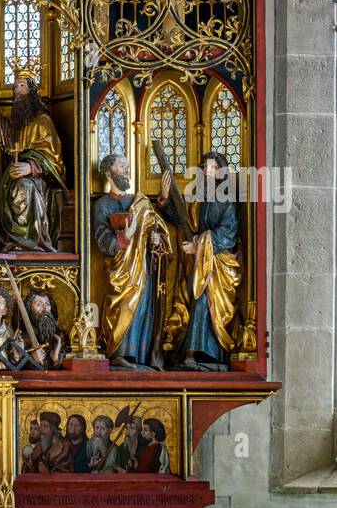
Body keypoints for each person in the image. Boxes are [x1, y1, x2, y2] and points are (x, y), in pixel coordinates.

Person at [161, 153, 242, 370]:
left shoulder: (227, 200)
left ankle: (200, 352)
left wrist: (198, 245)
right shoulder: (197, 197)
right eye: (205, 168)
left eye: (213, 168)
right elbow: (182, 219)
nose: (208, 172)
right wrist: (165, 198)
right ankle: (187, 350)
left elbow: (228, 233)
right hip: (197, 263)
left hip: (218, 263)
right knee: (191, 298)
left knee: (205, 299)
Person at [93, 151, 172, 369]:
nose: (127, 169)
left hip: (141, 266)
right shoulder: (102, 205)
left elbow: (157, 229)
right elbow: (102, 241)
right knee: (122, 305)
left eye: (128, 166)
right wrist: (124, 237)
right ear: (108, 172)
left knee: (143, 307)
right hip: (121, 268)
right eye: (121, 166)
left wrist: (156, 238)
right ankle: (118, 353)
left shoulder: (141, 202)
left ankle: (139, 355)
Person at [0, 69, 67, 252]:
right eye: (15, 86)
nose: (16, 91)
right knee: (0, 189)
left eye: (22, 86)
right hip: (14, 176)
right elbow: (3, 132)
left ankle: (29, 243)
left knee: (24, 187)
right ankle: (10, 242)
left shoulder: (43, 122)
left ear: (32, 91)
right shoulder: (18, 126)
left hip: (39, 181)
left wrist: (31, 167)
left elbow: (55, 161)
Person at [24, 289, 65, 369]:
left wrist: (56, 359)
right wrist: (32, 359)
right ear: (29, 310)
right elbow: (16, 366)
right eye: (38, 305)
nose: (45, 309)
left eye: (47, 304)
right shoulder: (23, 338)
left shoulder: (61, 336)